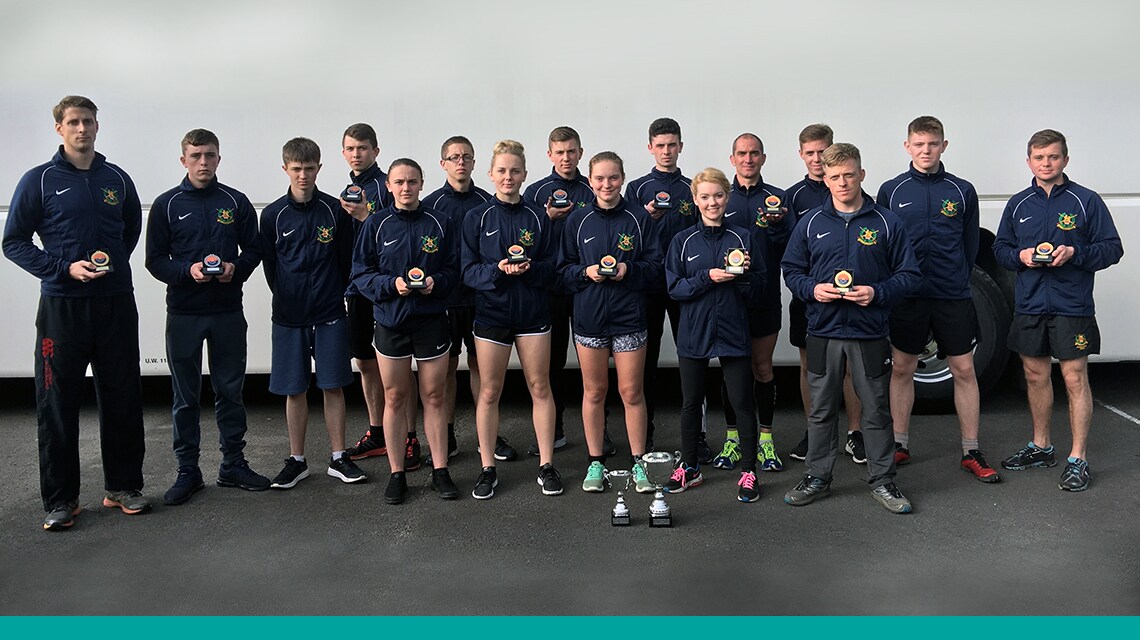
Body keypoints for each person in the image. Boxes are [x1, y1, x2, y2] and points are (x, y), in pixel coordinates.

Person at [3, 95, 152, 531]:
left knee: (123, 395)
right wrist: (63, 268)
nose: (82, 129)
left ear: (96, 126)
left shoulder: (117, 179)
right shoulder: (40, 180)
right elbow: (14, 242)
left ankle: (123, 487)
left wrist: (109, 269)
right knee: (57, 402)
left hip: (115, 304)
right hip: (61, 309)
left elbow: (129, 230)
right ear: (59, 129)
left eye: (88, 121)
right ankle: (61, 500)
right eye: (73, 122)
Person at [780, 143, 921, 514]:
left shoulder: (887, 221)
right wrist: (813, 289)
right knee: (822, 409)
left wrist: (877, 292)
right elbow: (792, 271)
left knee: (876, 408)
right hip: (823, 331)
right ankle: (817, 477)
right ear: (824, 179)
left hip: (869, 331)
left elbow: (909, 275)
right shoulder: (810, 222)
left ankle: (883, 480)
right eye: (834, 176)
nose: (842, 182)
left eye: (848, 174)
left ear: (862, 173)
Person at [993, 129, 1123, 492]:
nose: (1046, 163)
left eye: (1052, 156)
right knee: (1035, 376)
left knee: (1074, 377)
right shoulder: (1018, 204)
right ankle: (1041, 446)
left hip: (1072, 305)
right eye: (1039, 157)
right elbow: (1000, 249)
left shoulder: (1086, 201)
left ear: (1065, 159)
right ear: (1028, 161)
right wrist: (1019, 256)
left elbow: (1113, 249)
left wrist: (1075, 254)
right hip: (1031, 304)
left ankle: (1078, 458)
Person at [145, 128, 270, 505]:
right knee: (185, 397)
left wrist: (236, 267)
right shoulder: (166, 204)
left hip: (227, 312)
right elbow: (154, 260)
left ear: (219, 159)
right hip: (184, 314)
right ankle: (188, 471)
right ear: (183, 160)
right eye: (196, 155)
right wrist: (188, 272)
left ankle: (233, 464)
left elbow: (255, 248)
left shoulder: (235, 201)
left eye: (210, 155)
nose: (203, 162)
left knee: (230, 392)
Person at [877, 116, 997, 481]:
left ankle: (971, 450)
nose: (925, 150)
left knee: (963, 370)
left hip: (951, 296)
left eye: (933, 144)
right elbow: (884, 244)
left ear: (944, 146)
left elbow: (970, 244)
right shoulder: (891, 190)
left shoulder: (961, 190)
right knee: (901, 369)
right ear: (907, 147)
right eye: (919, 144)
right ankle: (899, 444)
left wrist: (957, 280)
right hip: (908, 297)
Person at [351, 158, 461, 504]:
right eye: (399, 182)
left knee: (434, 396)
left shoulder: (439, 223)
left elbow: (455, 270)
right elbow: (360, 274)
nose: (406, 188)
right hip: (391, 321)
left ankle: (440, 470)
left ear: (422, 183)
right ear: (388, 185)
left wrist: (435, 283)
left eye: (412, 181)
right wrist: (390, 285)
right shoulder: (376, 224)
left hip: (430, 319)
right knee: (396, 397)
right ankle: (397, 473)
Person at [260, 137, 366, 489]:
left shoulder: (334, 210)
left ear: (319, 168)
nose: (303, 175)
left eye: (309, 168)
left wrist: (332, 295)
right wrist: (290, 297)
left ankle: (338, 457)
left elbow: (347, 258)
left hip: (330, 312)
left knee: (333, 385)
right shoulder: (273, 214)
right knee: (295, 389)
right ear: (285, 169)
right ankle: (297, 460)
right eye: (296, 169)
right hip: (289, 315)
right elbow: (272, 268)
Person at [462, 140, 562, 499]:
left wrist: (532, 269)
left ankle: (547, 465)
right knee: (489, 391)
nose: (508, 177)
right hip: (492, 314)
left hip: (532, 313)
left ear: (524, 174)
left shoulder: (537, 216)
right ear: (491, 174)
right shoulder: (477, 217)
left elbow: (553, 268)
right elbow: (467, 272)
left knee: (540, 387)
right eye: (501, 171)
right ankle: (487, 467)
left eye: (514, 171)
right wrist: (498, 270)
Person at [559, 151, 662, 494]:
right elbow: (563, 272)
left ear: (622, 178)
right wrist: (585, 273)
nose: (607, 184)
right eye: (600, 178)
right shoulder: (577, 221)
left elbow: (655, 267)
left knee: (632, 392)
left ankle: (639, 463)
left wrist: (627, 269)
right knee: (594, 391)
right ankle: (595, 462)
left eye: (613, 177)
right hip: (589, 319)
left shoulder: (638, 218)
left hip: (629, 317)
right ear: (590, 182)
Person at [665, 168, 766, 502]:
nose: (712, 203)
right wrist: (707, 277)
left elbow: (761, 288)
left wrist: (744, 275)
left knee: (741, 401)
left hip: (733, 329)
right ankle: (690, 466)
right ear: (695, 200)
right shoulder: (683, 241)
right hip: (694, 331)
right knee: (691, 402)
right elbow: (674, 289)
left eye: (718, 196)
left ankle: (749, 471)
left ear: (728, 197)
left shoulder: (743, 238)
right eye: (705, 197)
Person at [340, 124, 423, 471]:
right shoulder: (348, 188)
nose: (357, 153)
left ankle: (409, 436)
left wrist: (365, 215)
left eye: (363, 147)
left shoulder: (387, 184)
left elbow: (397, 225)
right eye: (350, 148)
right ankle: (377, 432)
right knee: (365, 363)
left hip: (392, 291)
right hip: (359, 289)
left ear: (376, 150)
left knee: (399, 369)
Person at [625, 117, 706, 457]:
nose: (667, 151)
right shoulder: (637, 189)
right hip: (648, 286)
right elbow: (625, 238)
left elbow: (704, 236)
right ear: (650, 148)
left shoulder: (692, 186)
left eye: (672, 145)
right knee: (647, 362)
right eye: (660, 145)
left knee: (694, 356)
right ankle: (647, 433)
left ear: (681, 147)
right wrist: (645, 218)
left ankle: (697, 435)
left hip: (685, 286)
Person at [784, 124, 864, 465]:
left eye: (823, 152)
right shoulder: (791, 198)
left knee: (850, 367)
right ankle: (814, 430)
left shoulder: (854, 190)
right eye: (811, 153)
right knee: (809, 367)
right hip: (811, 300)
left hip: (853, 300)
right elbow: (791, 254)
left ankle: (855, 433)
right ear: (801, 155)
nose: (818, 160)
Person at [522, 126, 599, 458]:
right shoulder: (536, 192)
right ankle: (553, 431)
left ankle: (600, 429)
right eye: (560, 152)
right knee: (550, 364)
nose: (566, 158)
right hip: (548, 289)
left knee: (592, 365)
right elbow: (522, 236)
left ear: (580, 153)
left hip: (585, 286)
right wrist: (545, 216)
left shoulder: (592, 187)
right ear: (549, 155)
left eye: (572, 151)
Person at [716, 133, 786, 474]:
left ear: (763, 157)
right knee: (732, 371)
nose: (748, 159)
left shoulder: (777, 199)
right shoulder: (720, 198)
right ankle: (732, 440)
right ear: (732, 159)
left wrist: (777, 229)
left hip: (764, 297)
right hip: (728, 299)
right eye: (742, 154)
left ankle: (766, 439)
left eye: (754, 153)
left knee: (762, 368)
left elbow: (791, 249)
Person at [421, 136, 494, 466]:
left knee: (482, 367)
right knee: (447, 368)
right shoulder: (432, 205)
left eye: (466, 156)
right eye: (453, 157)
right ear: (443, 164)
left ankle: (485, 436)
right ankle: (447, 432)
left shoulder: (487, 201)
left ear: (475, 163)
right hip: (445, 301)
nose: (460, 162)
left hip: (480, 299)